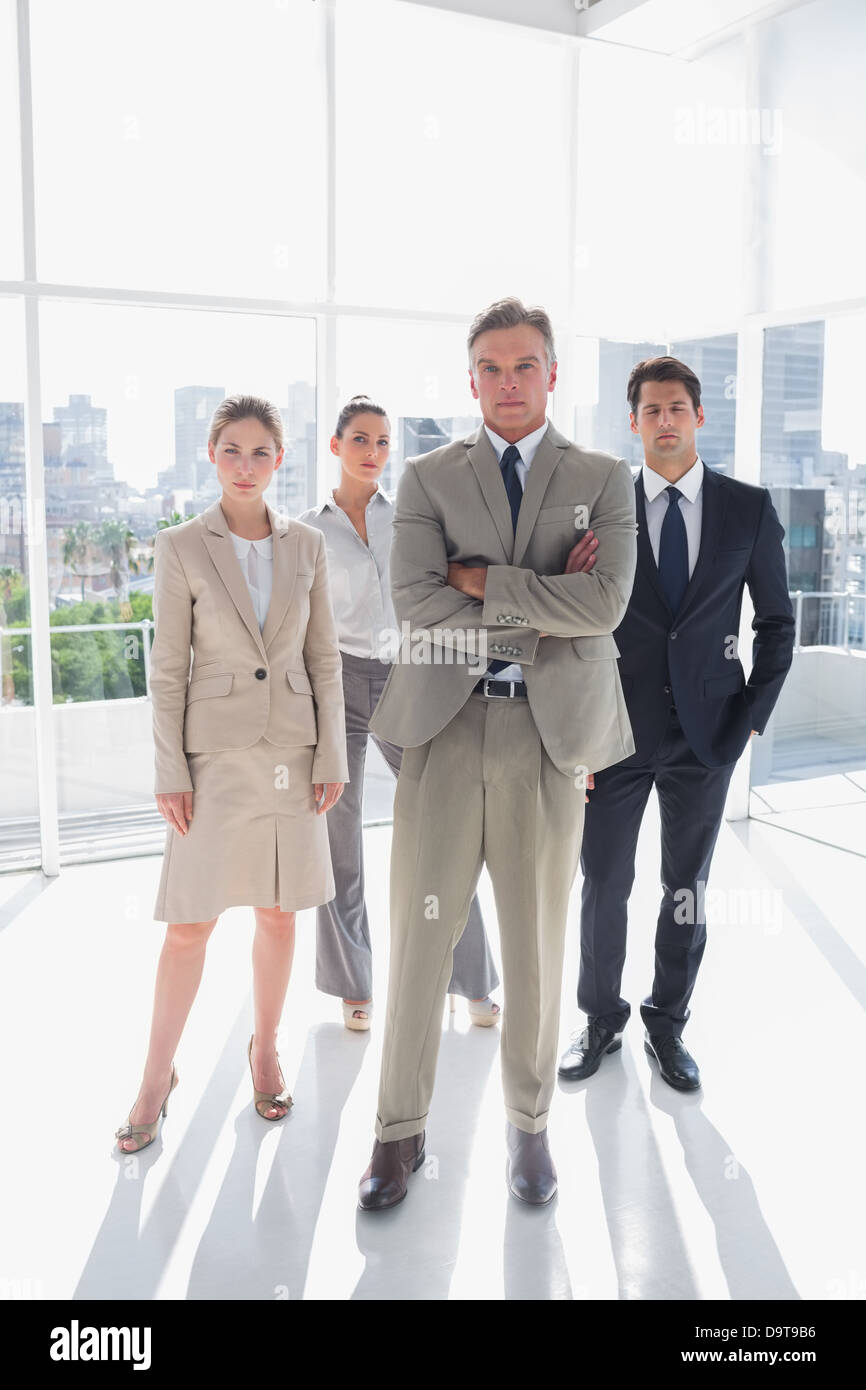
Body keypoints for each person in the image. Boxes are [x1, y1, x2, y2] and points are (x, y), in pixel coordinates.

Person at [357, 297, 637, 1209]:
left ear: (553, 372)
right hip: (443, 733)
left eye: (524, 366)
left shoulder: (603, 476)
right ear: (469, 377)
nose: (507, 382)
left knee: (534, 947)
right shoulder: (431, 477)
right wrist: (542, 596)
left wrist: (485, 582)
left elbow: (603, 609)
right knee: (419, 942)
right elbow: (418, 606)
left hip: (549, 744)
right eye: (490, 367)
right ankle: (399, 1135)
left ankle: (530, 1130)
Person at [114, 394, 347, 1153]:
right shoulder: (182, 545)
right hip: (211, 762)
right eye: (231, 451)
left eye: (260, 453)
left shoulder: (308, 545)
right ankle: (156, 1075)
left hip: (292, 751)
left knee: (280, 915)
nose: (245, 466)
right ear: (211, 457)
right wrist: (169, 768)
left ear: (279, 460)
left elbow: (323, 658)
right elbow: (168, 669)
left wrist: (332, 753)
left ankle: (267, 1049)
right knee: (190, 926)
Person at [558, 356, 795, 1092]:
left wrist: (749, 717)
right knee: (603, 880)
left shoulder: (746, 509)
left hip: (707, 736)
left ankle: (668, 1022)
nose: (665, 421)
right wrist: (570, 578)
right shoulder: (604, 508)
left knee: (685, 885)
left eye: (677, 409)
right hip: (614, 732)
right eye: (651, 410)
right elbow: (580, 621)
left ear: (698, 417)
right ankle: (600, 1018)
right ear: (632, 421)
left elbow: (778, 625)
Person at [298, 395, 500, 1031]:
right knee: (341, 838)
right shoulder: (307, 530)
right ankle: (352, 983)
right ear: (335, 446)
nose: (374, 453)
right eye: (361, 440)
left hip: (403, 676)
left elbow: (447, 578)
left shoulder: (410, 518)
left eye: (384, 442)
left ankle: (470, 978)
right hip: (333, 681)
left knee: (443, 825)